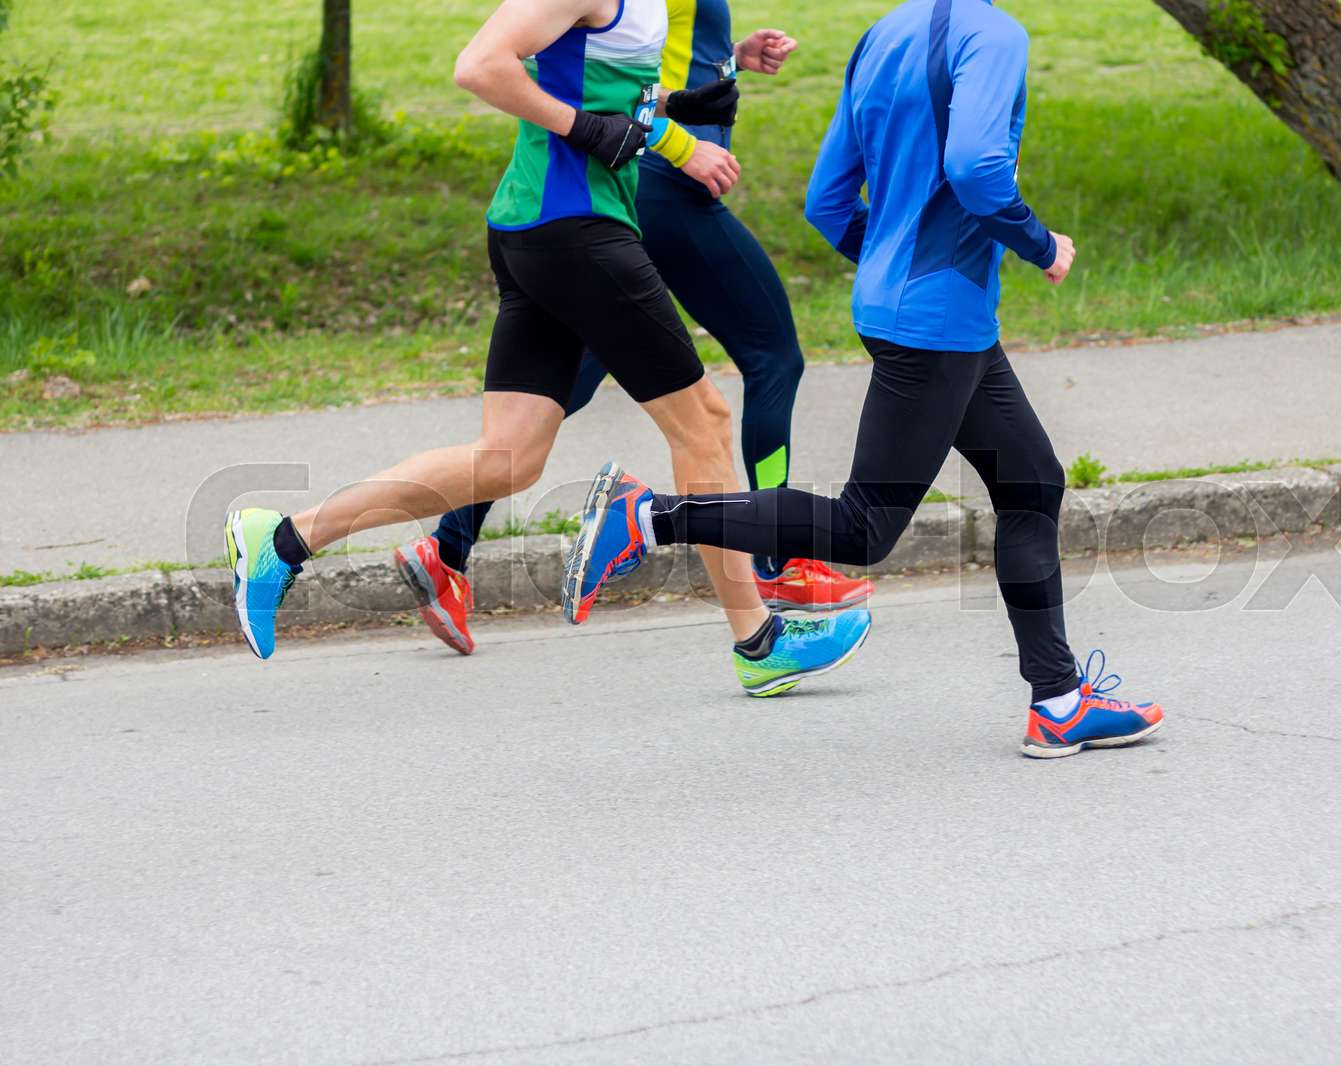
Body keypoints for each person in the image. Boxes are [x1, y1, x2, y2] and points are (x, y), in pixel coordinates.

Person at [561, 0, 1166, 756]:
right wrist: (1039, 245)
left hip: (921, 313)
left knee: (1033, 484)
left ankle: (1059, 699)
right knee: (864, 526)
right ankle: (648, 519)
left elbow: (826, 201)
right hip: (937, 321)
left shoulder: (884, 34)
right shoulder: (995, 35)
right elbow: (977, 167)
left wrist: (887, 265)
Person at [223, 0, 870, 698]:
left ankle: (283, 540)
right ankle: (759, 639)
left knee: (506, 460)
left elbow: (600, 87)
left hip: (548, 228)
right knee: (706, 423)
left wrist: (684, 102)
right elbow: (480, 67)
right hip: (575, 230)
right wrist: (585, 127)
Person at [398, 2, 874, 658]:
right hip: (655, 188)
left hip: (626, 193)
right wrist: (684, 149)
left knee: (568, 383)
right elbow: (617, 79)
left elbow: (649, 55)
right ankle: (774, 558)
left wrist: (732, 56)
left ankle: (446, 548)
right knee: (771, 357)